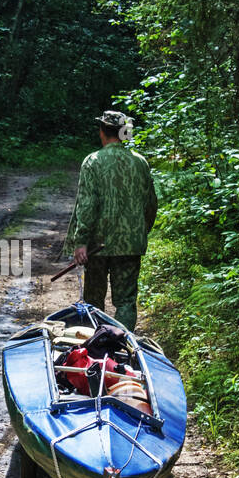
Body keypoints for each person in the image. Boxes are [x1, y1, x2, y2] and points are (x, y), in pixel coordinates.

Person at [63, 109, 158, 330]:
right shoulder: (140, 162)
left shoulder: (93, 161)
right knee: (125, 301)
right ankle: (123, 345)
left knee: (94, 302)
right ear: (124, 132)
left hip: (98, 245)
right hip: (130, 245)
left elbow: (87, 206)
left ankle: (95, 345)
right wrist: (141, 231)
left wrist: (81, 242)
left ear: (102, 132)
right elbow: (151, 203)